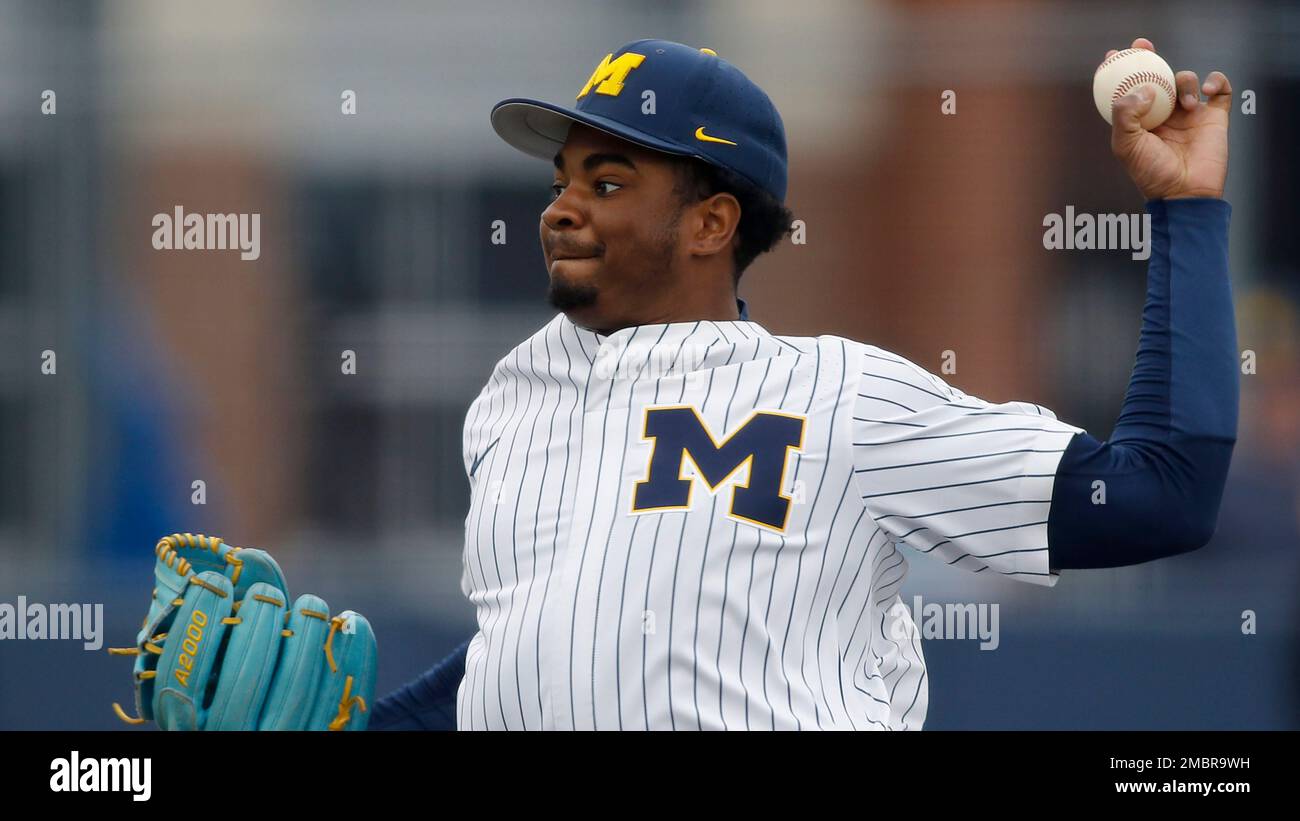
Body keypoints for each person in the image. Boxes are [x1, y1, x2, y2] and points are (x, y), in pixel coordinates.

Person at [369, 37, 1237, 730]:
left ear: (712, 223)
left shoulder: (837, 397)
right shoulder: (514, 399)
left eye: (606, 183)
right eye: (561, 181)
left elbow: (1162, 494)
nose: (561, 207)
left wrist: (1188, 213)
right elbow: (535, 655)